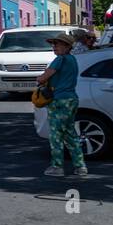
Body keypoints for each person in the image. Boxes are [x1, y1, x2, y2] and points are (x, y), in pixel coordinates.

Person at [38, 33, 85, 177]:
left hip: (59, 100)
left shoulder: (60, 60)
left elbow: (44, 77)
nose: (54, 47)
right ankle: (80, 166)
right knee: (70, 134)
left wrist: (39, 78)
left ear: (66, 46)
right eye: (54, 44)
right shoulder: (72, 60)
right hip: (71, 99)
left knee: (56, 135)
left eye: (57, 44)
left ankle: (57, 167)